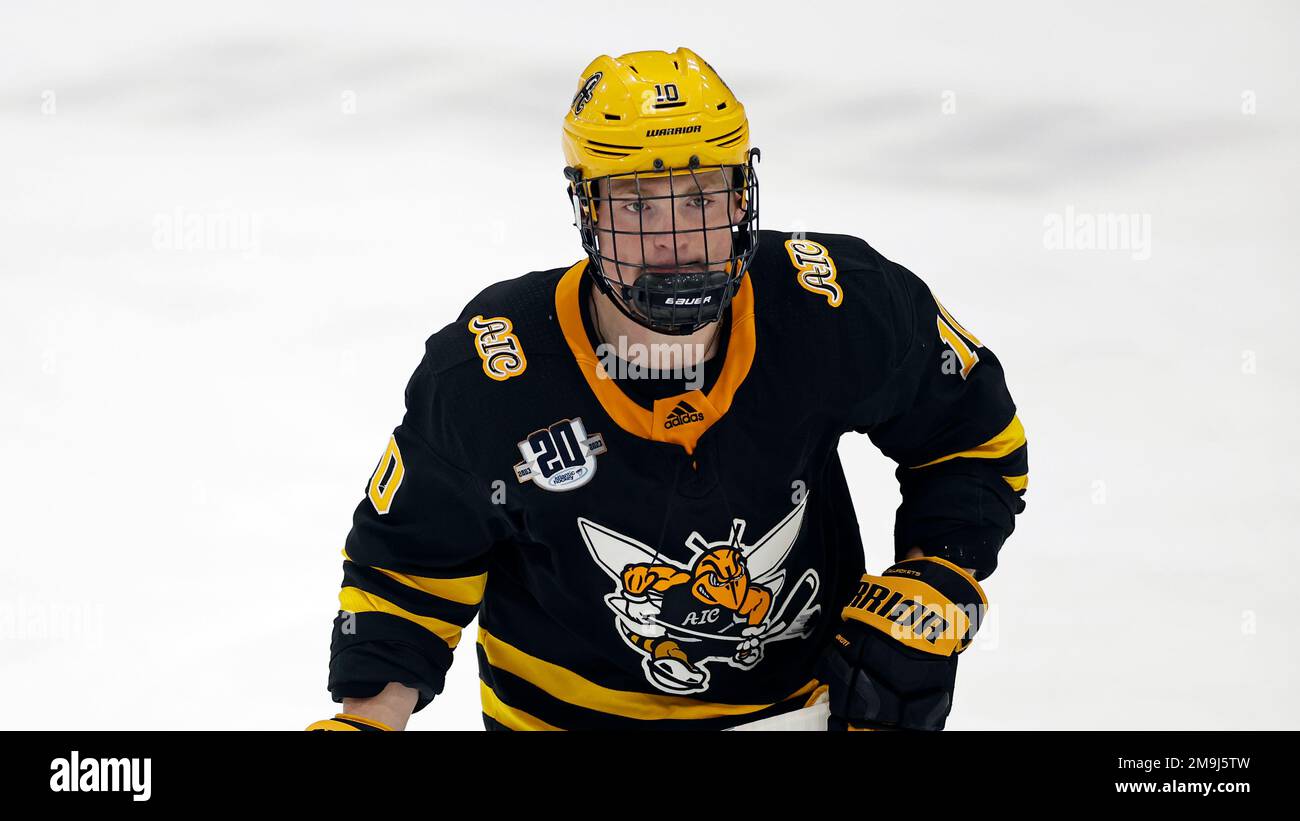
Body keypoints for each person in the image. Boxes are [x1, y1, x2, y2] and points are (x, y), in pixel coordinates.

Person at [307, 47, 1028, 732]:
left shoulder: (834, 303)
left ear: (742, 194)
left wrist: (940, 574)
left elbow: (970, 437)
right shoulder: (495, 369)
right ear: (588, 209)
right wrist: (365, 720)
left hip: (800, 709)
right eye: (637, 205)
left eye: (701, 196)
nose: (675, 237)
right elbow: (409, 567)